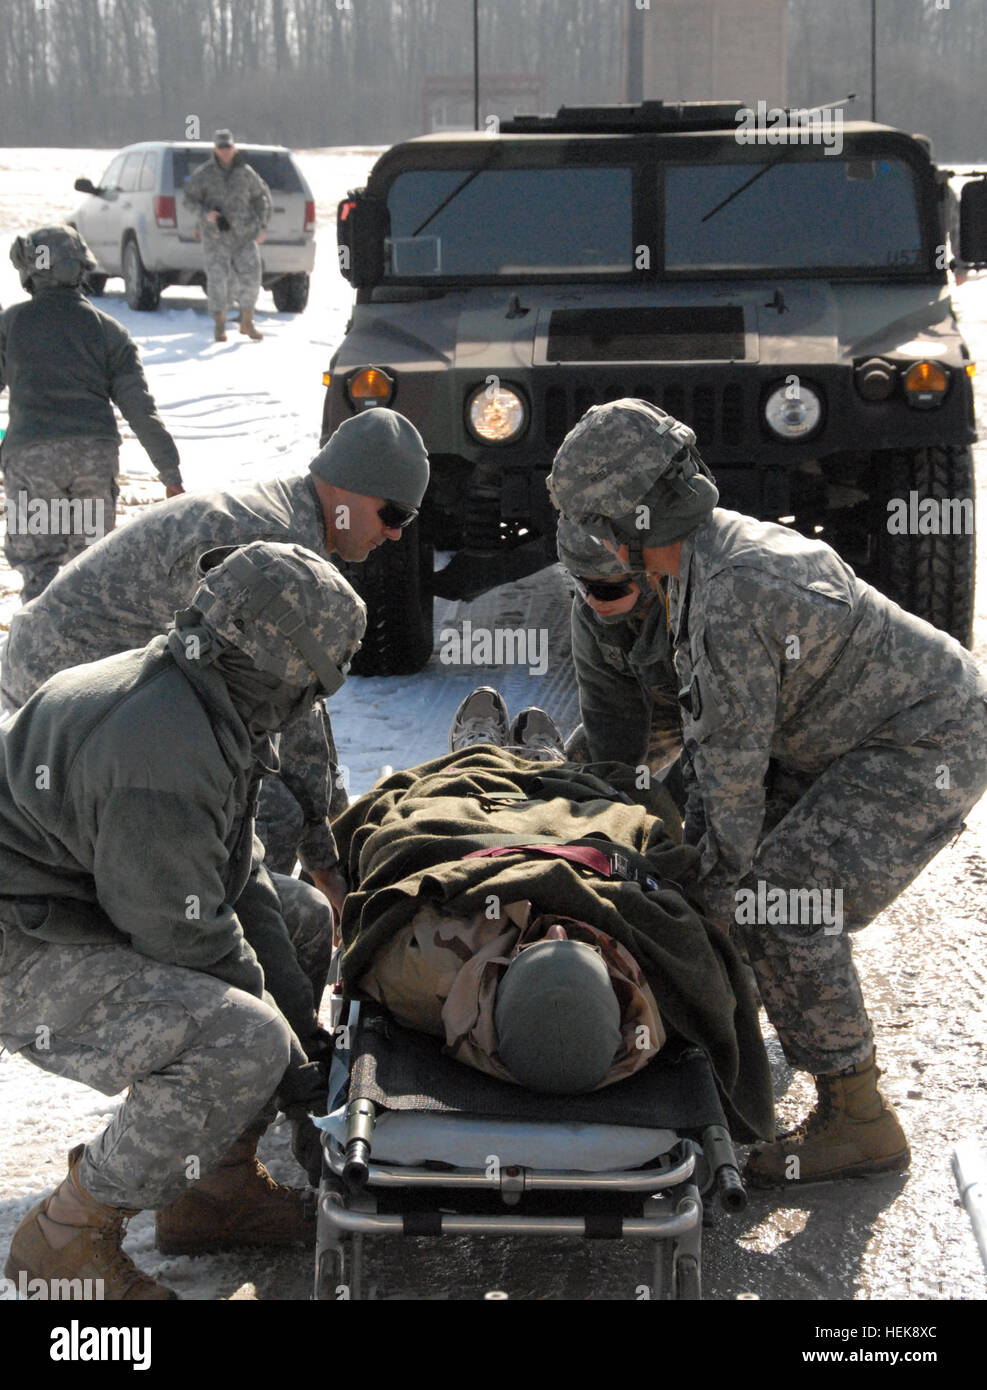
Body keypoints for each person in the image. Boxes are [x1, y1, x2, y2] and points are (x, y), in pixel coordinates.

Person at [547, 396, 987, 1185]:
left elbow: (731, 787)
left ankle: (858, 1118)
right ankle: (735, 1029)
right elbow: (685, 762)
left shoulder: (728, 595)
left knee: (779, 902)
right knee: (722, 872)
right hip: (840, 740)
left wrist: (695, 897)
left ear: (625, 521)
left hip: (925, 741)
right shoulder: (696, 562)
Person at [0, 541, 366, 1299]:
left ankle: (213, 1191)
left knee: (295, 918)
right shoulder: (161, 744)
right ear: (280, 665)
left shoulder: (202, 692)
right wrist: (288, 1060)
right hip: (19, 942)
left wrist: (308, 1050)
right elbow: (183, 934)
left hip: (72, 901)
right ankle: (67, 1236)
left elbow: (240, 886)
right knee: (237, 1039)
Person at [0, 406, 430, 915]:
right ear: (348, 488)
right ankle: (232, 941)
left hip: (94, 666)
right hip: (65, 672)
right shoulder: (273, 543)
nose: (397, 534)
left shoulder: (292, 520)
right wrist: (325, 858)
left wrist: (331, 838)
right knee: (258, 804)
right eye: (393, 515)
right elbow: (288, 725)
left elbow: (300, 701)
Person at [333, 696, 773, 1137]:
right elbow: (709, 971)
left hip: (469, 826)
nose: (558, 925)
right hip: (582, 827)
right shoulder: (664, 999)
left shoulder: (420, 972)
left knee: (447, 793)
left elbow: (381, 902)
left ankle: (472, 758)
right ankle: (547, 766)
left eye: (539, 947)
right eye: (578, 944)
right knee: (601, 799)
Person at [0, 225, 183, 601]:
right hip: (93, 463)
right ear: (81, 268)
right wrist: (170, 472)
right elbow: (140, 409)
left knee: (38, 570)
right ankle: (90, 655)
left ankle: (35, 654)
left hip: (32, 462)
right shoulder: (109, 331)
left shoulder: (10, 325)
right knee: (90, 572)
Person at [183, 129, 273, 342]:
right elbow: (188, 200)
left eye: (228, 147)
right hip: (216, 237)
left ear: (234, 148)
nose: (225, 151)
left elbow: (261, 197)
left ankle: (247, 321)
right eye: (221, 148)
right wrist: (207, 214)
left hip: (244, 235)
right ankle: (220, 324)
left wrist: (262, 225)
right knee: (218, 280)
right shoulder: (204, 174)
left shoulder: (246, 172)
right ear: (215, 149)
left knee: (252, 276)